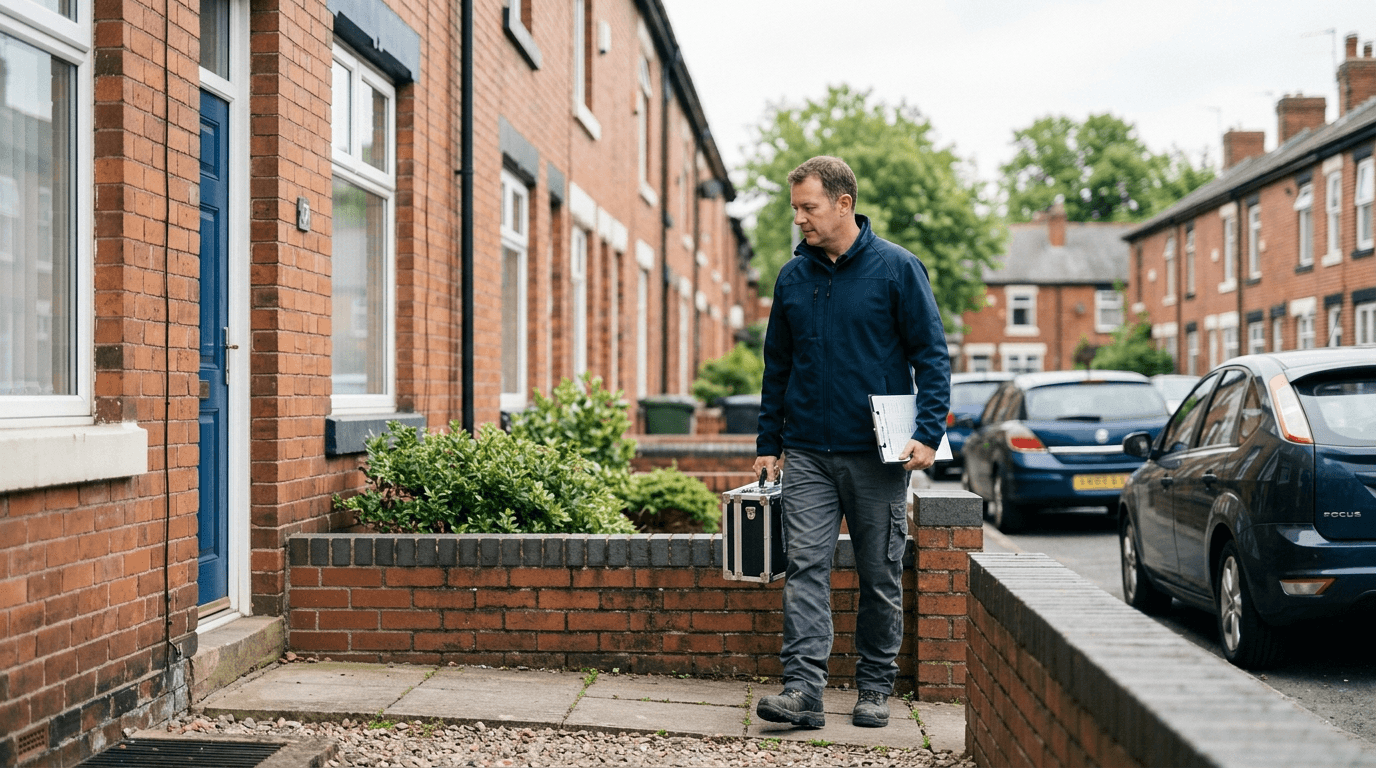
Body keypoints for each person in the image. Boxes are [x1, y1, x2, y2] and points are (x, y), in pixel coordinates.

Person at [752, 156, 949, 729]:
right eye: (795, 209)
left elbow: (931, 357)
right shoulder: (792, 278)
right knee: (806, 568)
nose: (799, 220)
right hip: (808, 452)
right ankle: (803, 692)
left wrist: (927, 434)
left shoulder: (898, 269)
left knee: (879, 573)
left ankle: (874, 686)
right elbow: (777, 366)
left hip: (878, 455)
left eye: (807, 207)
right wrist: (770, 441)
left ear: (843, 204)